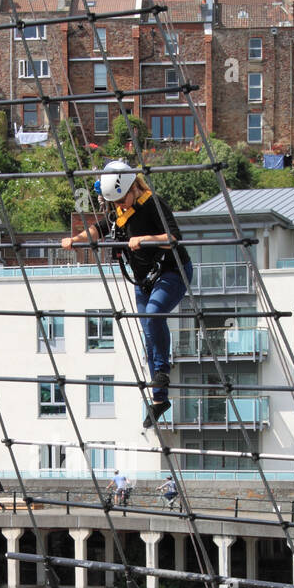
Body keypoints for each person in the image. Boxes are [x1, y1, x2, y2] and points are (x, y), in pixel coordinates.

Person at [61, 159, 192, 427]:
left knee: (155, 315)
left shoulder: (152, 204)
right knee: (147, 330)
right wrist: (74, 241)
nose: (119, 205)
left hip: (172, 272)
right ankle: (159, 399)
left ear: (133, 188)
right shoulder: (120, 213)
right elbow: (98, 229)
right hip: (144, 280)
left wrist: (144, 240)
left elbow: (173, 237)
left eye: (122, 199)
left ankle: (163, 374)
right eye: (115, 202)